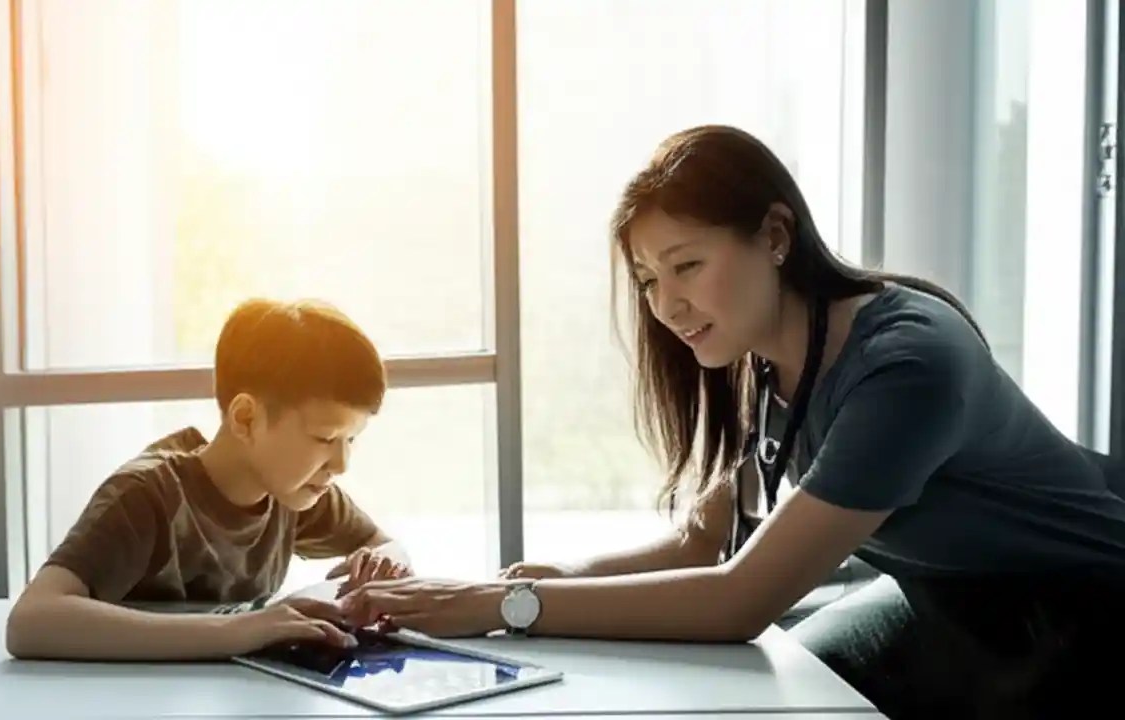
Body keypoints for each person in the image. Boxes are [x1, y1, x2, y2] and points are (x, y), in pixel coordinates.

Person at [339, 126, 1125, 717]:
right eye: (648, 280)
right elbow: (702, 541)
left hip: (1071, 613)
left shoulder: (908, 365)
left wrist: (504, 611)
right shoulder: (760, 352)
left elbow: (739, 599)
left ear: (775, 237)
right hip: (941, 595)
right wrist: (530, 583)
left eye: (687, 265)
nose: (667, 306)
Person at [7, 298, 412, 661]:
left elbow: (387, 545)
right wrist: (242, 630)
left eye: (351, 439)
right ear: (246, 419)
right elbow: (31, 620)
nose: (341, 463)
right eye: (325, 438)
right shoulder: (147, 495)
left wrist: (382, 568)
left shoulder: (294, 491)